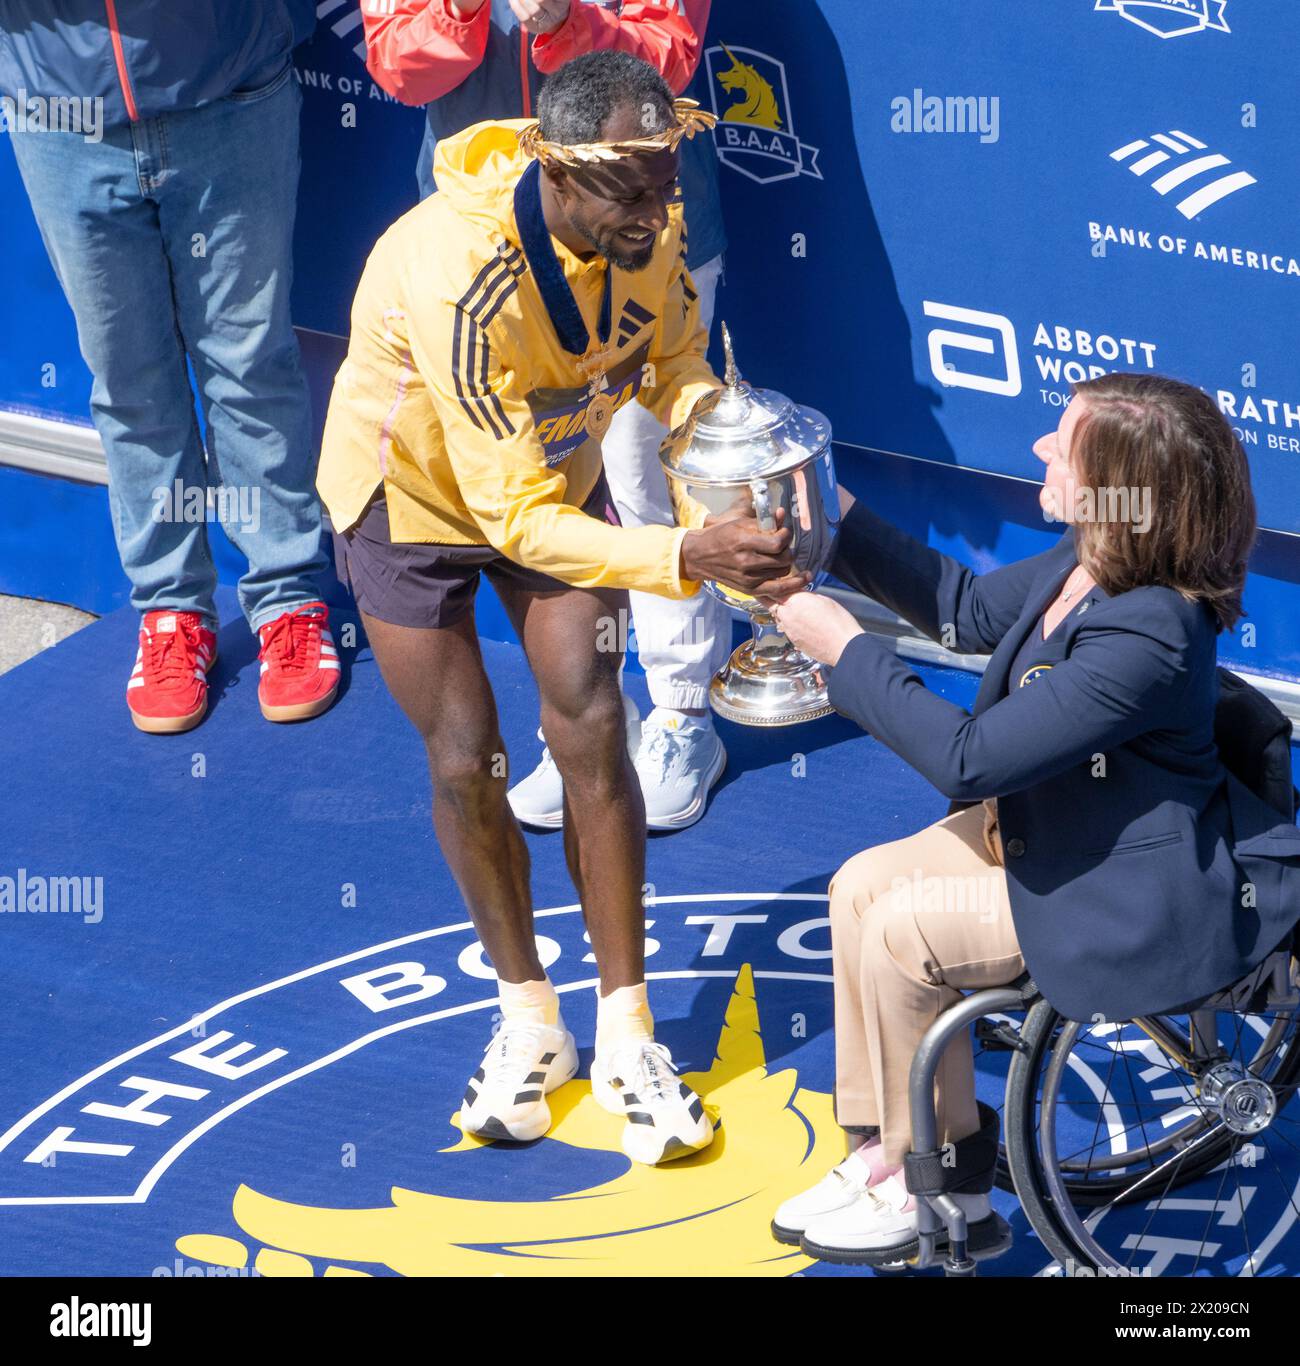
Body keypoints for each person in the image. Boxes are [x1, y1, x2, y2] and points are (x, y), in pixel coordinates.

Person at [316, 51, 802, 1164]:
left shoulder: (650, 223)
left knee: (590, 721)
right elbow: (514, 519)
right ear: (557, 171)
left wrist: (729, 449)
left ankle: (628, 1032)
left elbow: (671, 370)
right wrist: (687, 548)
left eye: (665, 181)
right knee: (465, 759)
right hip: (410, 504)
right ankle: (528, 1014)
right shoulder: (455, 272)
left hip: (553, 477)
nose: (656, 209)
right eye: (630, 189)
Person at [764, 373, 1300, 1263]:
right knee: (860, 886)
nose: (1041, 452)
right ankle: (884, 1150)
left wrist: (847, 652)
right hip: (1058, 824)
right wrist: (827, 507)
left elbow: (966, 758)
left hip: (1126, 880)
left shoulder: (1150, 631)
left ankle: (938, 1182)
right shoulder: (1085, 562)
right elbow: (965, 612)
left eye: (1064, 445)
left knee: (903, 936)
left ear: (1119, 485)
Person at [359, 0, 733, 830]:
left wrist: (565, 22)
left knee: (648, 468)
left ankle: (682, 712)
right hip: (485, 245)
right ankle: (582, 722)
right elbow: (398, 62)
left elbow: (667, 64)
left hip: (640, 228)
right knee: (531, 479)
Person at [1, 0, 341, 734]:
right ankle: (171, 613)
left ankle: (287, 602)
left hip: (230, 96)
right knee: (129, 380)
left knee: (250, 364)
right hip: (60, 117)